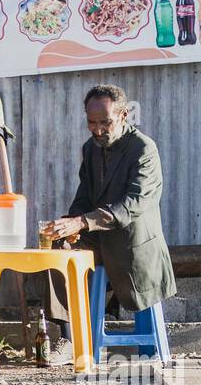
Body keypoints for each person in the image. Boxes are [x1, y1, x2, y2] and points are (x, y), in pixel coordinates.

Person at [48, 83, 177, 324]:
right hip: (98, 239)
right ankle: (67, 332)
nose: (97, 130)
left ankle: (100, 315)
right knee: (53, 250)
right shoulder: (90, 148)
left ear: (124, 115)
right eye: (91, 123)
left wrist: (82, 221)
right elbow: (84, 196)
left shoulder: (143, 149)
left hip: (131, 245)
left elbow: (132, 204)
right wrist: (71, 224)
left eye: (105, 122)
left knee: (81, 236)